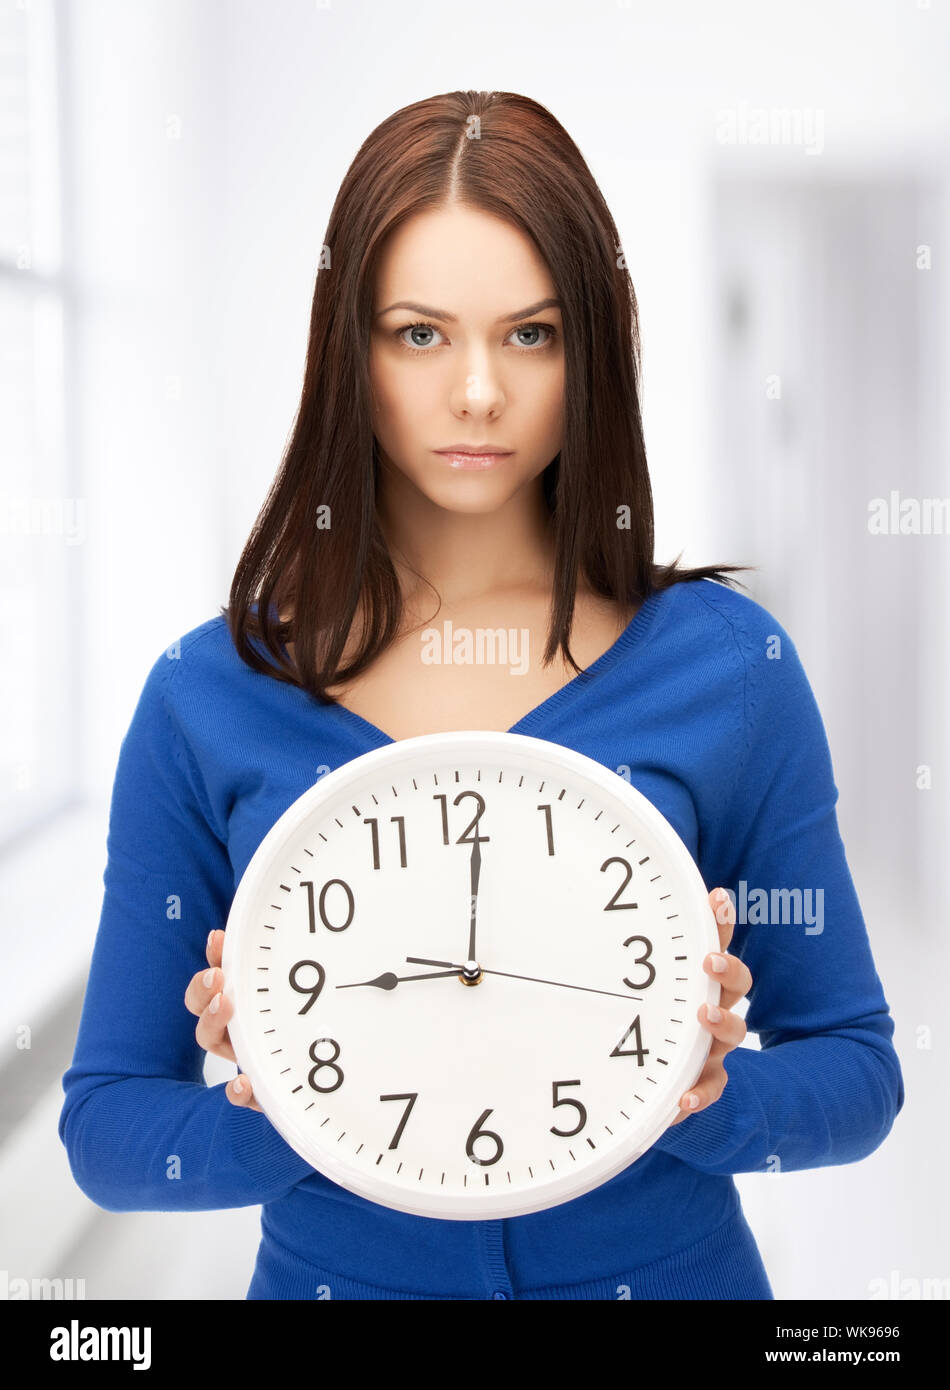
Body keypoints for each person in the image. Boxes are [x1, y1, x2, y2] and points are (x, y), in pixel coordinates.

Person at [59, 90, 903, 1301]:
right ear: (345, 347)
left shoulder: (728, 670)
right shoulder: (209, 696)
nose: (474, 393)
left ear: (591, 350)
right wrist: (285, 1099)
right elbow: (108, 1129)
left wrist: (704, 1090)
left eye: (529, 334)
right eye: (417, 333)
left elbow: (857, 1075)